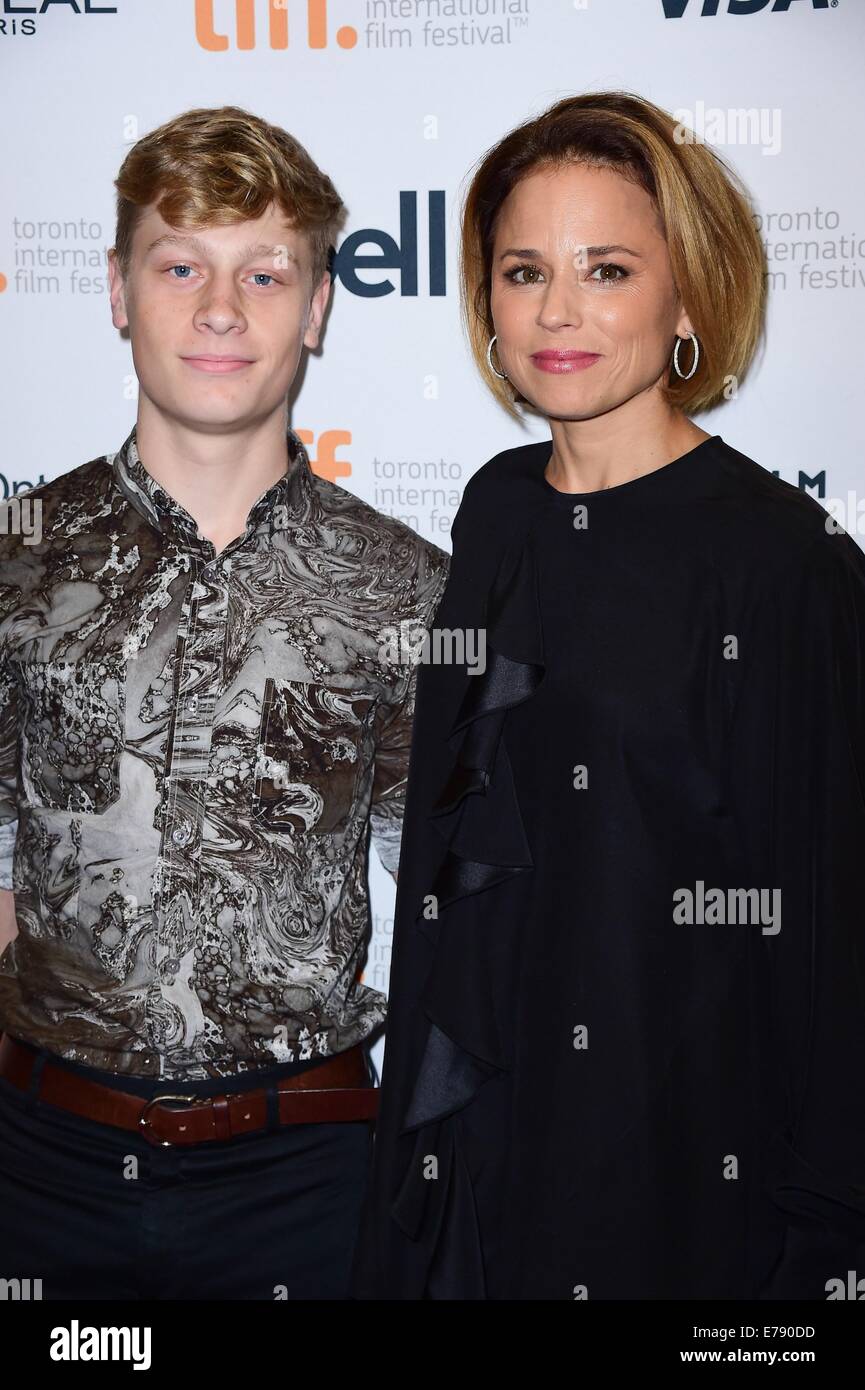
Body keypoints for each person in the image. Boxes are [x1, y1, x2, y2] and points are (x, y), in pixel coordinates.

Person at [350, 91, 865, 1300]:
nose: (558, 311)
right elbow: (451, 854)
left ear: (686, 297)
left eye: (607, 269)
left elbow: (838, 932)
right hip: (475, 1156)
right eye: (524, 270)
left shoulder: (785, 564)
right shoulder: (497, 508)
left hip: (681, 1172)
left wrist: (820, 1248)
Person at [0, 105, 449, 1300]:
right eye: (179, 264)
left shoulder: (411, 588)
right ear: (115, 289)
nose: (218, 309)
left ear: (315, 307)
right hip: (38, 1167)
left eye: (264, 272)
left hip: (310, 1183)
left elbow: (448, 894)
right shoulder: (16, 554)